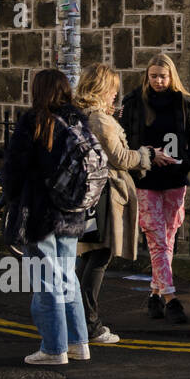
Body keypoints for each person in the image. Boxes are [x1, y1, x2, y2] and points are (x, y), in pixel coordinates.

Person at [3, 70, 97, 365]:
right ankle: (79, 343)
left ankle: (54, 348)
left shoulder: (35, 120)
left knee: (47, 281)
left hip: (39, 213)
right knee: (68, 277)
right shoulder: (77, 119)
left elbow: (14, 171)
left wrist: (12, 197)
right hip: (71, 212)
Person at [120, 52, 190, 323]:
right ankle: (171, 298)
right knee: (156, 237)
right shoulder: (134, 103)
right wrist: (145, 155)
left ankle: (154, 295)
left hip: (176, 179)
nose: (157, 81)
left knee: (167, 240)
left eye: (162, 76)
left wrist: (185, 162)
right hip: (146, 179)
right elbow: (125, 141)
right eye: (153, 76)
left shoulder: (184, 104)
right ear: (147, 76)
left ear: (172, 76)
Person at [75, 63, 149, 345]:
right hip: (104, 196)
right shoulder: (98, 119)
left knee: (90, 255)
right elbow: (119, 157)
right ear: (100, 89)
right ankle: (90, 323)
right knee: (99, 256)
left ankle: (81, 317)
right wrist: (144, 155)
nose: (115, 97)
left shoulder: (88, 115)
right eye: (112, 91)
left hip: (94, 194)